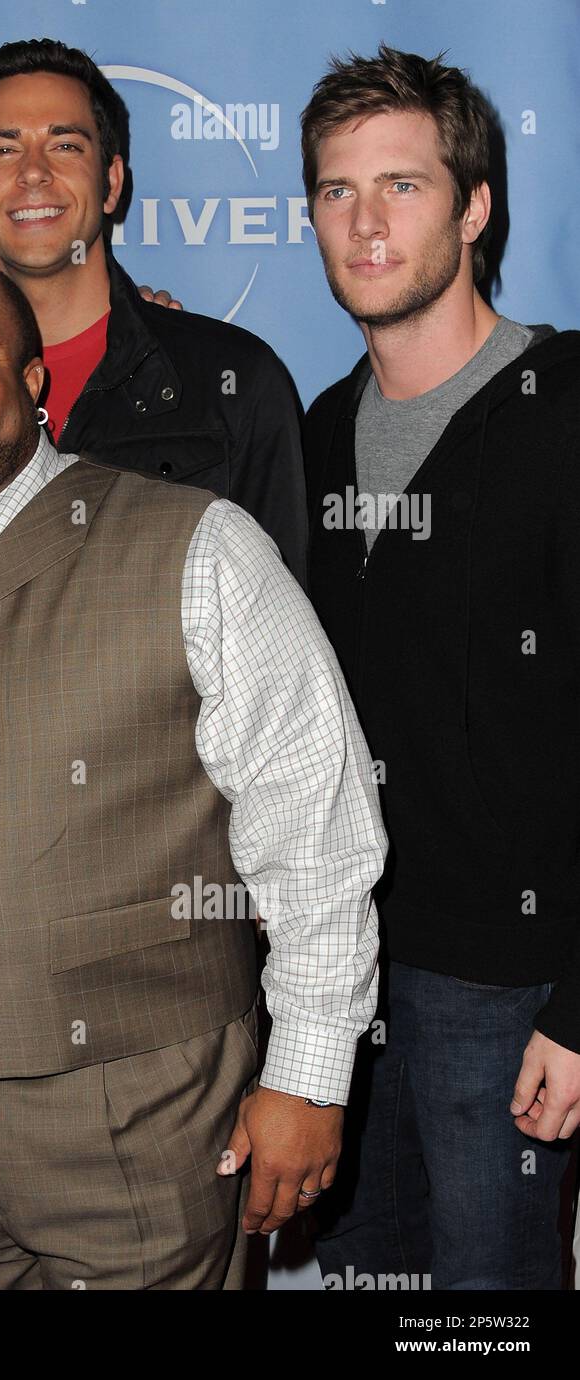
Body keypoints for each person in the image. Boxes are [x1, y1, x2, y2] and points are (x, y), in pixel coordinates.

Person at [0, 251, 386, 1288]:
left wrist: (309, 1077)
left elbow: (312, 824)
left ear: (32, 381)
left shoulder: (198, 550)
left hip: (149, 1124)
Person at [300, 46, 580, 1290]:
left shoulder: (566, 408)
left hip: (511, 988)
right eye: (335, 191)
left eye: (402, 186)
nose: (364, 223)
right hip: (341, 982)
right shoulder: (308, 436)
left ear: (474, 207)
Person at [0, 38, 308, 585]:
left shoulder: (232, 383)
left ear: (112, 182)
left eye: (65, 145)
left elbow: (278, 629)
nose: (33, 173)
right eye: (3, 149)